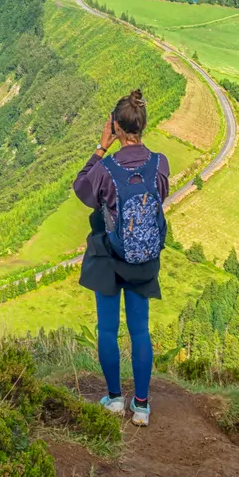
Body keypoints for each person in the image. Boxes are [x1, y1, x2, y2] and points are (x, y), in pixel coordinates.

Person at [73, 88, 168, 427]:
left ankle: (114, 399)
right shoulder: (160, 163)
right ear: (143, 126)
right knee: (140, 330)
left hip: (110, 257)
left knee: (108, 329)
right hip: (143, 259)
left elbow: (82, 189)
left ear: (114, 126)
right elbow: (161, 195)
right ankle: (140, 406)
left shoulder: (106, 169)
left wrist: (101, 147)